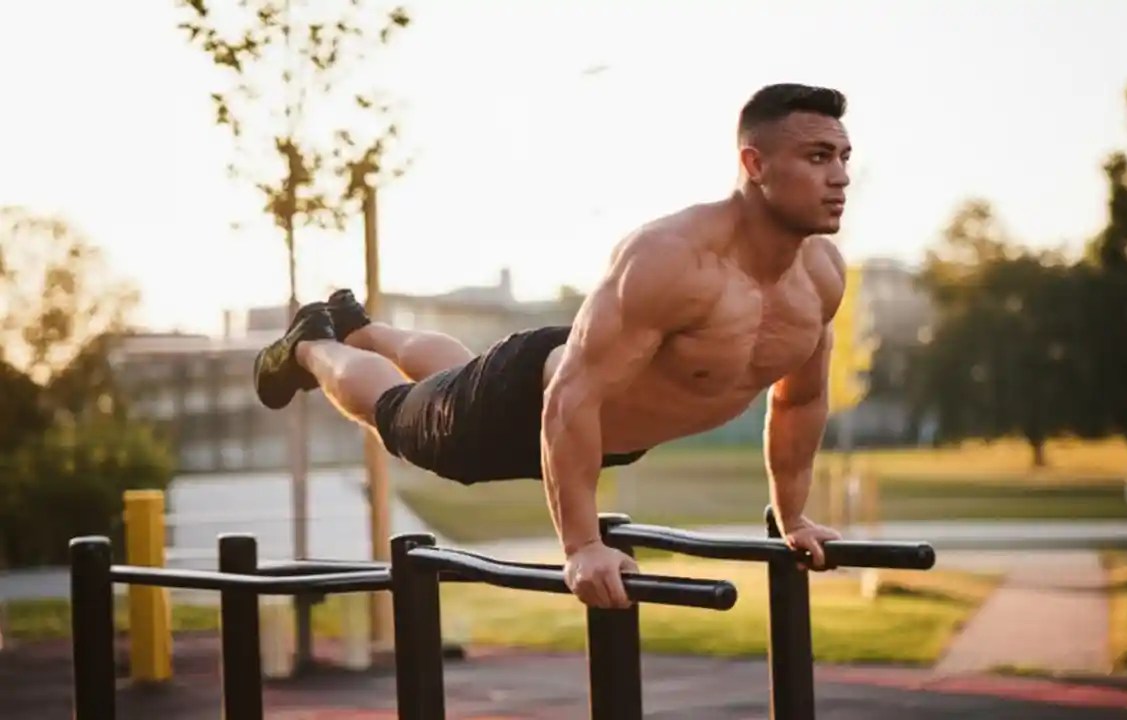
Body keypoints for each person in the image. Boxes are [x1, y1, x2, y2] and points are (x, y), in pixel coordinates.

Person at [253, 83, 853, 609]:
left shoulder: (821, 276)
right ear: (754, 163)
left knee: (453, 377)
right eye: (818, 157)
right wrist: (582, 545)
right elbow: (572, 397)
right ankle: (314, 345)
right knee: (398, 412)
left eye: (844, 157)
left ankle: (360, 329)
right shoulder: (673, 258)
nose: (841, 177)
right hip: (528, 401)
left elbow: (798, 400)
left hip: (595, 417)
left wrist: (792, 517)